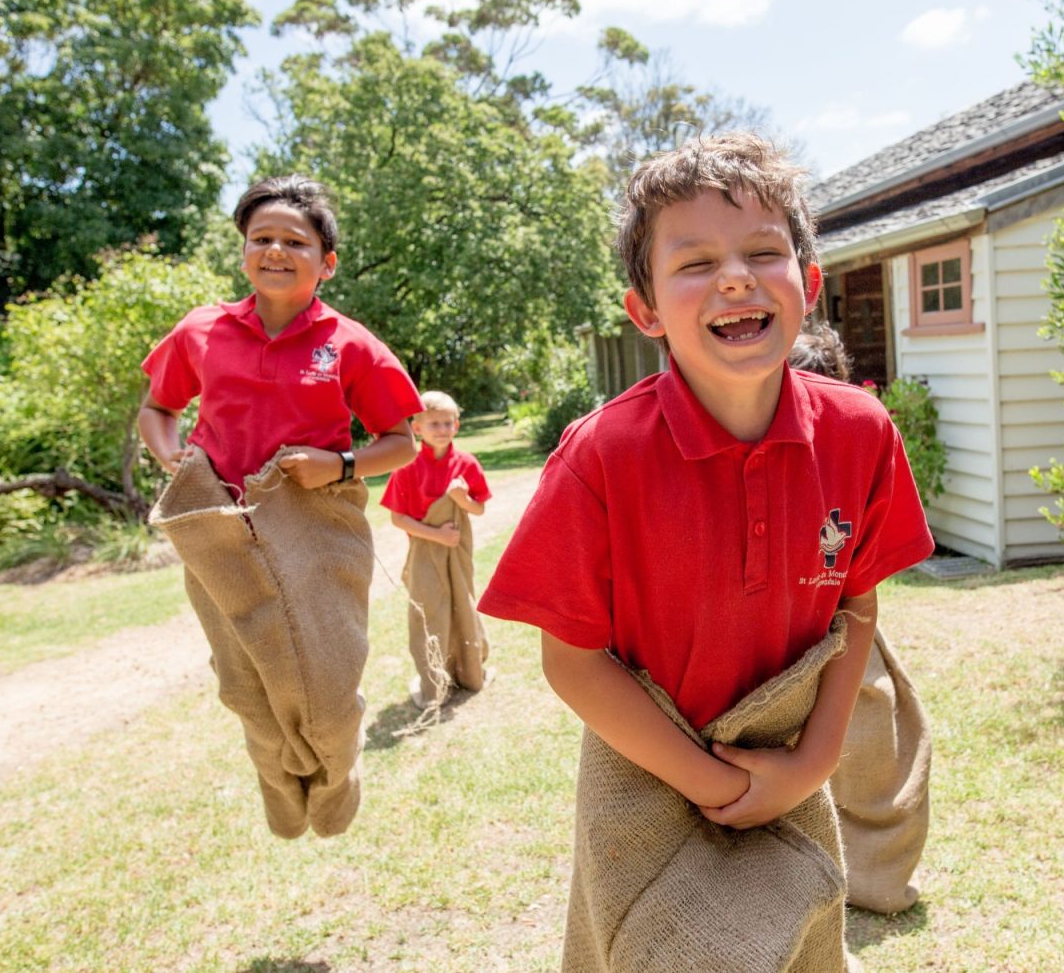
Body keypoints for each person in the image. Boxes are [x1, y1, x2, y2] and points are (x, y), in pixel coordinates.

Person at [479, 133, 934, 971]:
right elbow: (573, 662)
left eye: (765, 251)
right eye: (695, 263)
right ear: (644, 310)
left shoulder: (860, 433)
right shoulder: (602, 456)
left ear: (811, 285)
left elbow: (856, 605)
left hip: (792, 765)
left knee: (801, 947)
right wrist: (718, 784)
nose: (735, 277)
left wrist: (811, 763)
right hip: (644, 773)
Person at [138, 174, 422, 839]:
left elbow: (401, 443)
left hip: (316, 526)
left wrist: (341, 464)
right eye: (260, 237)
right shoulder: (201, 331)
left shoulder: (350, 343)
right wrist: (171, 456)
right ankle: (279, 785)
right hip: (220, 530)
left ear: (326, 262)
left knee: (326, 687)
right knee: (245, 686)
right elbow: (158, 408)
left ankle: (332, 777)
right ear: (242, 251)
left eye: (293, 240)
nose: (274, 249)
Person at [788, 320, 934, 916]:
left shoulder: (855, 448)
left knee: (872, 738)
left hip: (843, 624)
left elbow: (862, 571)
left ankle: (870, 878)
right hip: (792, 638)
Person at [381, 390, 493, 710]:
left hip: (458, 553)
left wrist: (461, 500)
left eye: (448, 422)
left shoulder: (466, 463)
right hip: (425, 554)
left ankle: (468, 672)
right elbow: (397, 517)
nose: (442, 429)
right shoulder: (406, 467)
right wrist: (436, 535)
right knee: (431, 613)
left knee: (462, 605)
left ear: (456, 425)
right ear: (416, 428)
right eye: (434, 423)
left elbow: (479, 510)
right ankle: (435, 682)